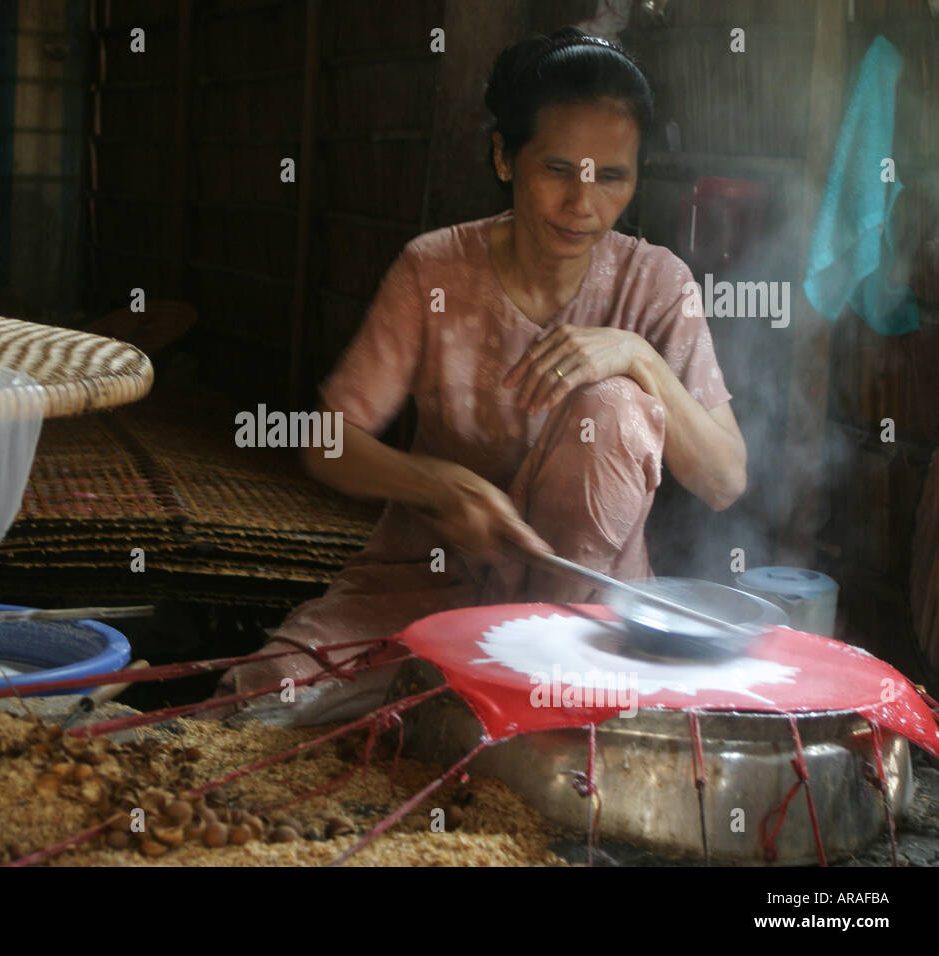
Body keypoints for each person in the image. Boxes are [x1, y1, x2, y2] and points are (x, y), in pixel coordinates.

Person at [218, 28, 747, 725]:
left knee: (615, 405)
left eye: (611, 176)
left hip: (588, 614)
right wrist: (436, 483)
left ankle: (535, 679)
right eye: (557, 169)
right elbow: (328, 441)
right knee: (261, 699)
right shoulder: (434, 269)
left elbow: (724, 479)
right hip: (428, 582)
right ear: (504, 156)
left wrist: (638, 356)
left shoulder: (655, 284)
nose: (582, 203)